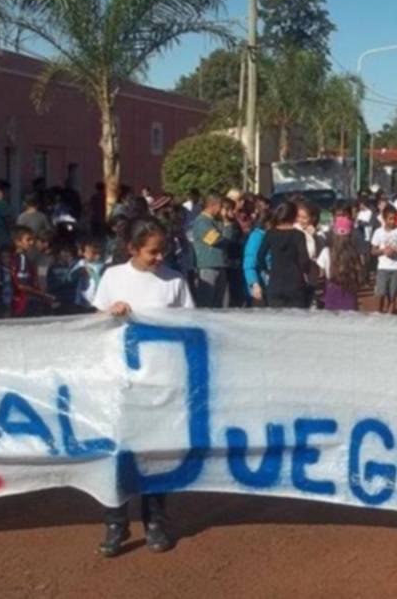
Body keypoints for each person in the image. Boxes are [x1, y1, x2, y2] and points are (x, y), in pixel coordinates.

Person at [92, 219, 194, 557]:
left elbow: (191, 325)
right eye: (152, 251)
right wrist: (111, 313)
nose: (159, 257)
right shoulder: (113, 278)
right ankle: (115, 521)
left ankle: (156, 520)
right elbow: (94, 325)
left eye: (163, 249)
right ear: (132, 250)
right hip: (120, 382)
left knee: (155, 452)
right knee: (119, 452)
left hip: (161, 380)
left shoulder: (174, 281)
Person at [256, 202, 311, 309]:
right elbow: (304, 260)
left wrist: (267, 270)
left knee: (276, 320)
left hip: (275, 282)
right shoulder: (298, 235)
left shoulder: (270, 233)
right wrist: (306, 271)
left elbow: (260, 256)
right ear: (294, 216)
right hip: (295, 283)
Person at [190, 194, 233, 309]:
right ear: (213, 205)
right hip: (208, 265)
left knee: (221, 301)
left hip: (220, 264)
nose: (222, 210)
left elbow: (227, 239)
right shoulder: (202, 222)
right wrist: (227, 226)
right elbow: (216, 240)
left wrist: (226, 226)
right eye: (221, 206)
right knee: (206, 301)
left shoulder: (215, 221)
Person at [316, 217, 363, 311]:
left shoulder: (326, 252)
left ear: (334, 233)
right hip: (350, 293)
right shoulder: (354, 253)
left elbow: (320, 274)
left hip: (331, 294)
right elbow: (360, 275)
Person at [370, 205, 397, 314]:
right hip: (383, 267)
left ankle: (390, 314)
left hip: (396, 267)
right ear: (384, 218)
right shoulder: (378, 232)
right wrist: (383, 251)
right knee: (381, 292)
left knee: (392, 294)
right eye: (390, 219)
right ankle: (379, 312)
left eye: (394, 218)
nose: (392, 221)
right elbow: (373, 251)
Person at [11, 226, 54, 317]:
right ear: (18, 242)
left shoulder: (19, 257)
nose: (32, 242)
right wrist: (43, 295)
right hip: (25, 303)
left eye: (32, 239)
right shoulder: (21, 259)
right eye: (28, 240)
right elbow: (22, 285)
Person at [243, 209, 270, 307]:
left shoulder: (268, 236)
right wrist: (254, 284)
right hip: (259, 286)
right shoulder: (257, 237)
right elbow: (249, 264)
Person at [73, 238, 106, 311]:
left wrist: (92, 273)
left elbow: (101, 283)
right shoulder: (80, 263)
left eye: (88, 252)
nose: (85, 254)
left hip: (95, 301)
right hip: (81, 301)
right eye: (85, 252)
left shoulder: (101, 266)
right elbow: (70, 277)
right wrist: (80, 271)